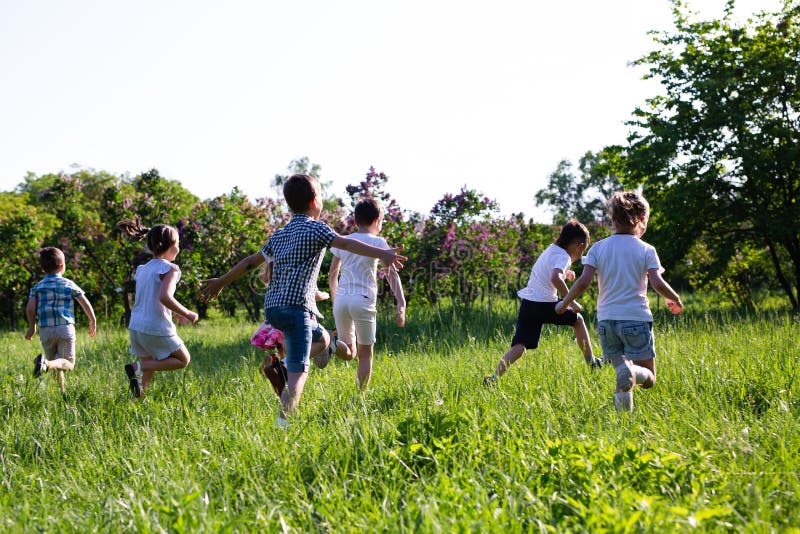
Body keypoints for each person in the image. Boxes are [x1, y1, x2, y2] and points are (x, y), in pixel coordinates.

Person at [198, 174, 406, 427]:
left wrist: (221, 281)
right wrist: (381, 253)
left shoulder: (279, 234)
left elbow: (250, 262)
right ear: (316, 201)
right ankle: (280, 424)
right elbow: (348, 245)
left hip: (273, 309)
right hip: (297, 311)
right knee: (298, 376)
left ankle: (290, 363)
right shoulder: (317, 228)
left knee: (326, 339)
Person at [555, 191, 683, 412]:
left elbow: (583, 282)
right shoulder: (646, 250)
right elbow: (657, 282)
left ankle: (624, 423)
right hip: (636, 319)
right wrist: (675, 298)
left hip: (607, 322)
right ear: (642, 220)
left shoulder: (598, 248)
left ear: (612, 219)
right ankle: (633, 374)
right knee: (649, 378)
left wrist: (564, 302)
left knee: (622, 372)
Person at [484, 220, 601, 386]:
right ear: (578, 245)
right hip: (544, 304)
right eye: (582, 250)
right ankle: (592, 362)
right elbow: (554, 278)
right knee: (578, 320)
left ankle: (494, 378)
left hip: (528, 303)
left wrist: (566, 273)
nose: (580, 255)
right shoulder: (564, 256)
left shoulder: (551, 250)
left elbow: (549, 273)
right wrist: (571, 302)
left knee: (519, 347)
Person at [329, 199, 406, 391]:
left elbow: (332, 274)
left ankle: (328, 343)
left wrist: (334, 297)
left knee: (349, 352)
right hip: (362, 301)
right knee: (365, 354)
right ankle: (360, 397)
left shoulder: (344, 241)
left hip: (342, 300)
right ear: (378, 220)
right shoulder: (378, 242)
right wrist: (401, 302)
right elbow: (391, 273)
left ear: (355, 221)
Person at [116, 219, 199, 398]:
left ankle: (136, 400)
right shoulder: (170, 269)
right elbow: (164, 297)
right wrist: (187, 313)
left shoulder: (142, 269)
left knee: (149, 366)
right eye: (177, 243)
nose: (179, 247)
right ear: (170, 245)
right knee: (183, 359)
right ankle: (139, 367)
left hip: (136, 326)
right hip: (156, 326)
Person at [25, 247, 97, 393]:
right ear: (62, 266)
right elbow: (85, 302)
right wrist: (92, 321)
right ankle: (48, 364)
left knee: (54, 365)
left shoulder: (38, 287)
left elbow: (30, 309)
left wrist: (32, 326)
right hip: (65, 328)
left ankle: (61, 392)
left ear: (43, 268)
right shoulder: (68, 284)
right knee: (67, 363)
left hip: (46, 330)